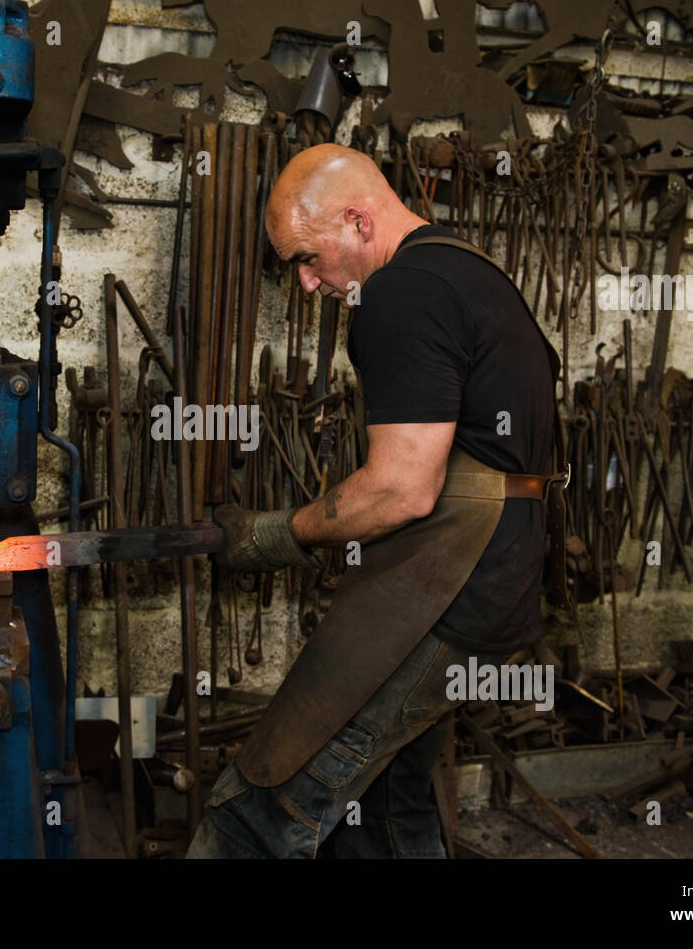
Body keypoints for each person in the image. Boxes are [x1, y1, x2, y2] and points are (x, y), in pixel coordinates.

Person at [186, 143, 561, 858]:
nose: (304, 283)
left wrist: (272, 534)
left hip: (445, 595)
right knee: (387, 812)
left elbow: (400, 489)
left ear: (358, 219)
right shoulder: (472, 270)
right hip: (497, 589)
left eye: (306, 257)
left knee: (264, 803)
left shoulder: (402, 292)